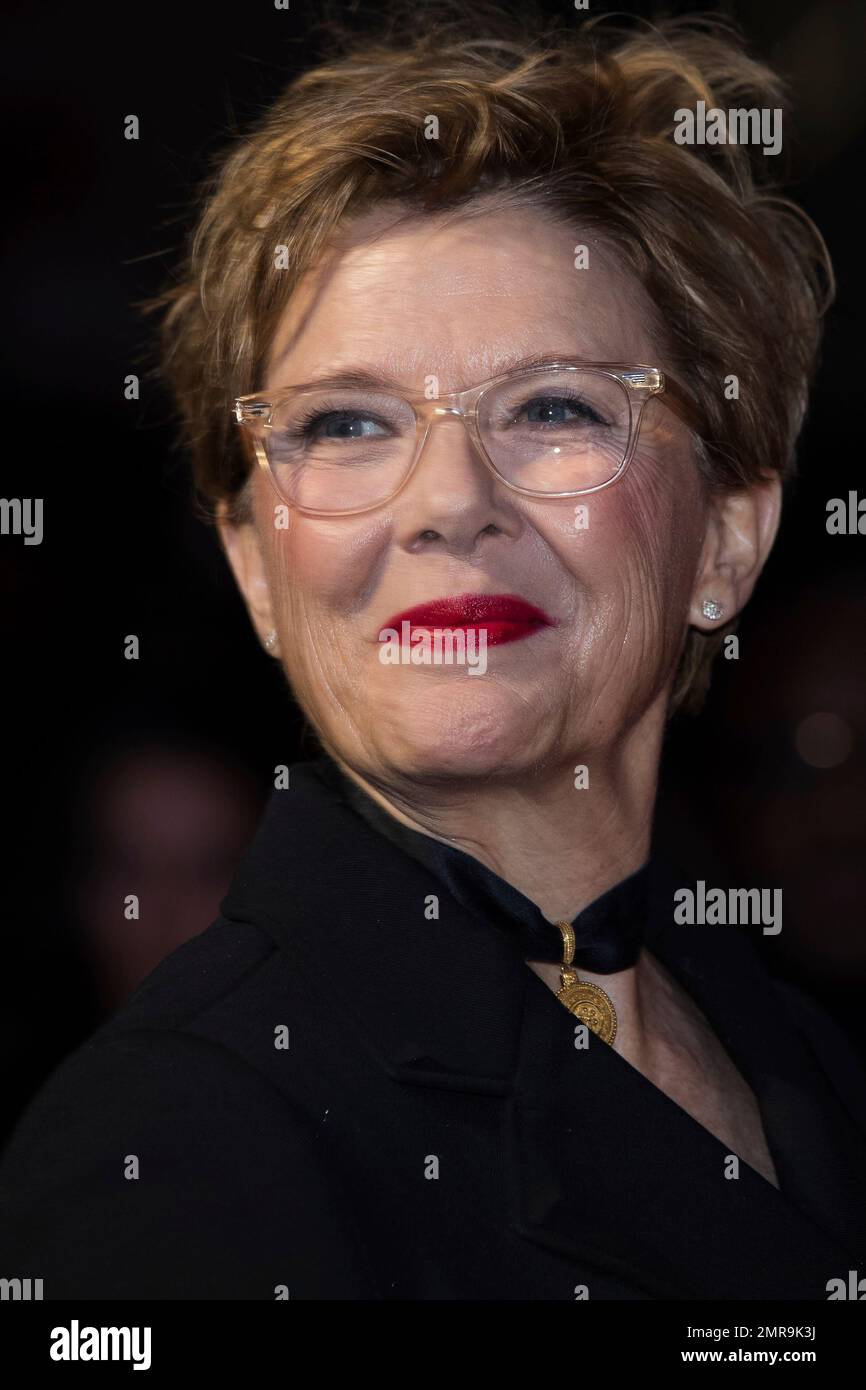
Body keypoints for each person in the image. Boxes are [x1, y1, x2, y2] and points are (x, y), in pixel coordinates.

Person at [2, 8, 864, 1300]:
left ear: (725, 540)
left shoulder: (808, 1058)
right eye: (347, 422)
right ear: (253, 562)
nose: (446, 500)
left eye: (554, 405)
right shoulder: (174, 1140)